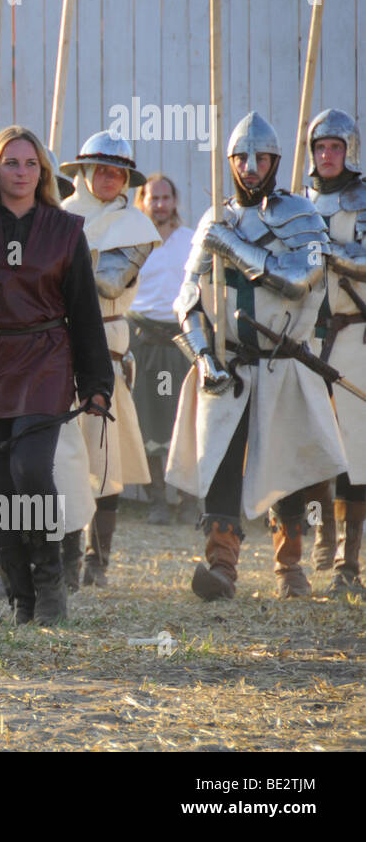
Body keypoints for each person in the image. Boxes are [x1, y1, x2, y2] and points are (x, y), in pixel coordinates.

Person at [167, 112, 347, 600]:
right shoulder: (214, 217)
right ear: (229, 161)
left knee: (284, 467)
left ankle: (289, 567)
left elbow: (298, 280)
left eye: (260, 158)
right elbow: (186, 299)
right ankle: (222, 567)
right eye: (241, 158)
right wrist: (204, 357)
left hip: (283, 359)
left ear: (275, 161)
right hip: (229, 361)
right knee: (220, 462)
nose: (249, 167)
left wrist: (234, 245)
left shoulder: (301, 216)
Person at [0, 126, 113, 626]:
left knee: (32, 470)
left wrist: (97, 382)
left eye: (31, 164)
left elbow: (84, 311)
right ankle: (21, 599)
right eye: (11, 163)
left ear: (43, 172)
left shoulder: (66, 230)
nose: (21, 172)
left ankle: (50, 584)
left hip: (45, 359)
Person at [58, 132, 161, 587]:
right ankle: (61, 558)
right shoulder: (58, 217)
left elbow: (109, 284)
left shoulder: (134, 227)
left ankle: (97, 562)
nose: (107, 179)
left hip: (105, 341)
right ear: (83, 173)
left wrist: (57, 257)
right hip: (56, 344)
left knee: (104, 457)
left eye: (116, 172)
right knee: (62, 456)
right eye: (100, 169)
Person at [302, 109, 366, 596]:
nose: (327, 156)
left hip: (353, 335)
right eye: (320, 147)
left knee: (356, 453)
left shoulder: (363, 203)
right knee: (312, 443)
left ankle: (349, 561)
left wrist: (329, 252)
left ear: (350, 151)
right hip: (304, 335)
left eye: (335, 148)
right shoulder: (294, 204)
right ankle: (320, 536)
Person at [129, 174, 194, 524]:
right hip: (143, 341)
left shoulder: (190, 240)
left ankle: (186, 499)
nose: (160, 205)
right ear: (143, 201)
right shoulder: (133, 242)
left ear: (175, 201)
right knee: (146, 420)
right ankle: (157, 500)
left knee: (183, 421)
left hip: (180, 341)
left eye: (166, 198)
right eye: (154, 198)